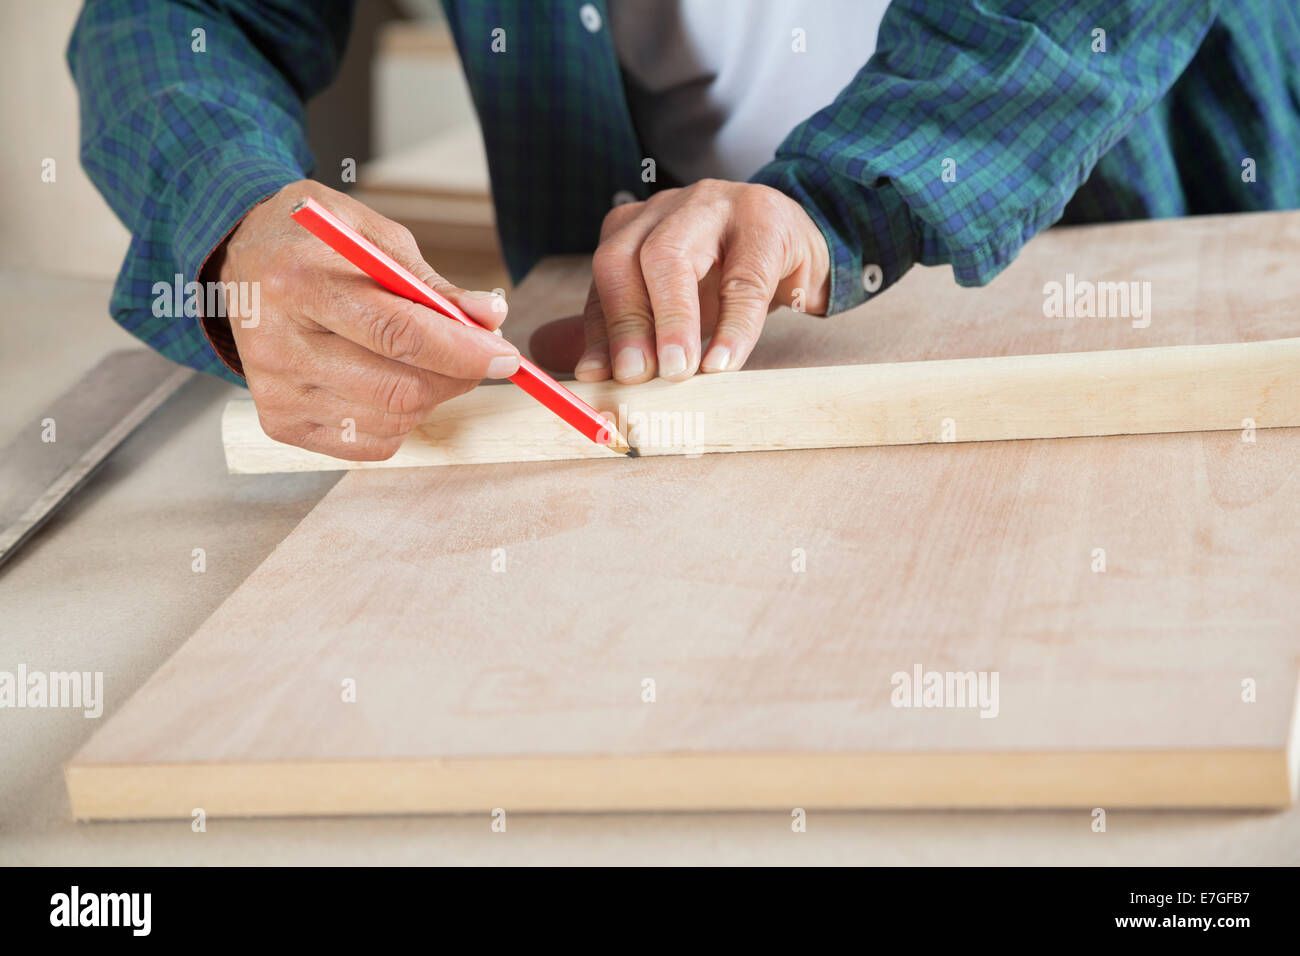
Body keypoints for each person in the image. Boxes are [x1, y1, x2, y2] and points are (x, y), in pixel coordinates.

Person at [69, 1, 1299, 461]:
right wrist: (228, 221)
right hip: (621, 316)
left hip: (1114, 239)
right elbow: (173, 16)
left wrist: (834, 198)